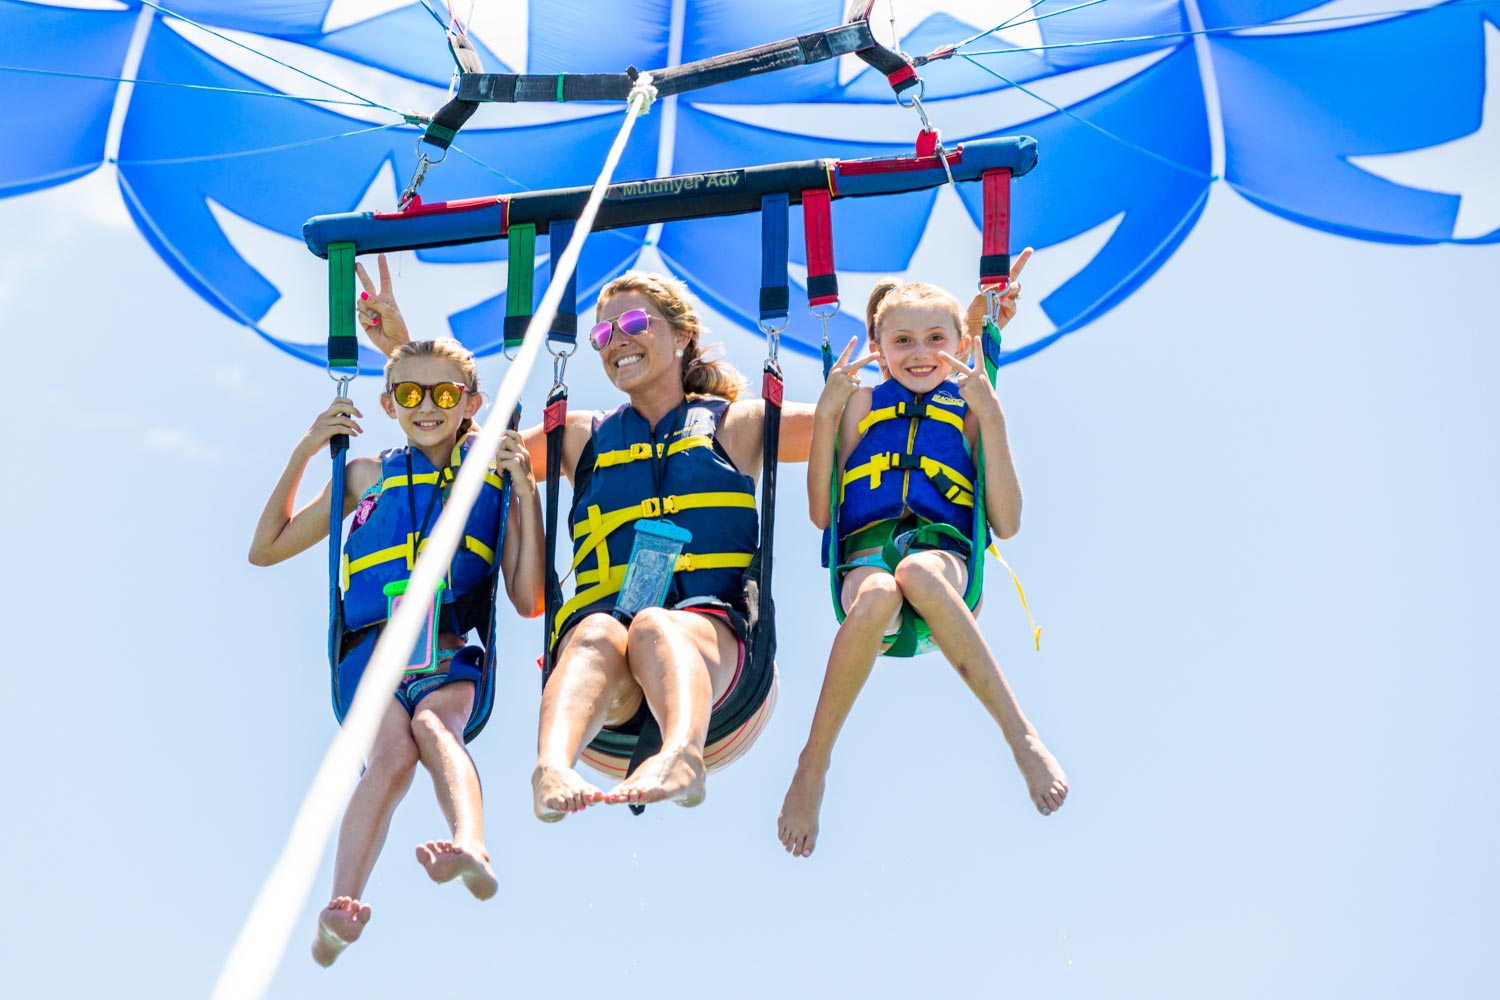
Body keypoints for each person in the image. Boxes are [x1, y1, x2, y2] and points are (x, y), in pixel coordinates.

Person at [353, 256, 815, 820]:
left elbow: (857, 426)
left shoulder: (736, 425)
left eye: (637, 325)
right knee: (597, 628)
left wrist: (942, 368)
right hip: (608, 698)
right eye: (602, 332)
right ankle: (551, 767)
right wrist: (400, 352)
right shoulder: (580, 436)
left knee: (655, 623)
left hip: (719, 663)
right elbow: (461, 445)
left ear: (682, 334)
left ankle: (681, 755)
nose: (616, 341)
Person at [248, 334, 544, 965]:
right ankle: (341, 908)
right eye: (410, 393)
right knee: (390, 754)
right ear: (388, 404)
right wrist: (309, 450)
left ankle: (471, 846)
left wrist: (525, 493)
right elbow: (266, 547)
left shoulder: (492, 472)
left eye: (443, 393)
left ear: (472, 401)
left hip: (446, 649)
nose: (426, 406)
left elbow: (527, 599)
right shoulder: (365, 476)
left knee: (437, 727)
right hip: (372, 657)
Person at [778, 248, 1068, 858]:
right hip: (865, 566)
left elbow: (1007, 522)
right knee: (885, 586)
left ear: (960, 344)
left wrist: (991, 414)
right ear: (878, 349)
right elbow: (820, 512)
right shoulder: (857, 402)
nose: (917, 353)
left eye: (936, 339)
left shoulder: (968, 407)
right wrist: (828, 417)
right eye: (902, 340)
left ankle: (1022, 739)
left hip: (944, 559)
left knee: (916, 571)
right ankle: (814, 762)